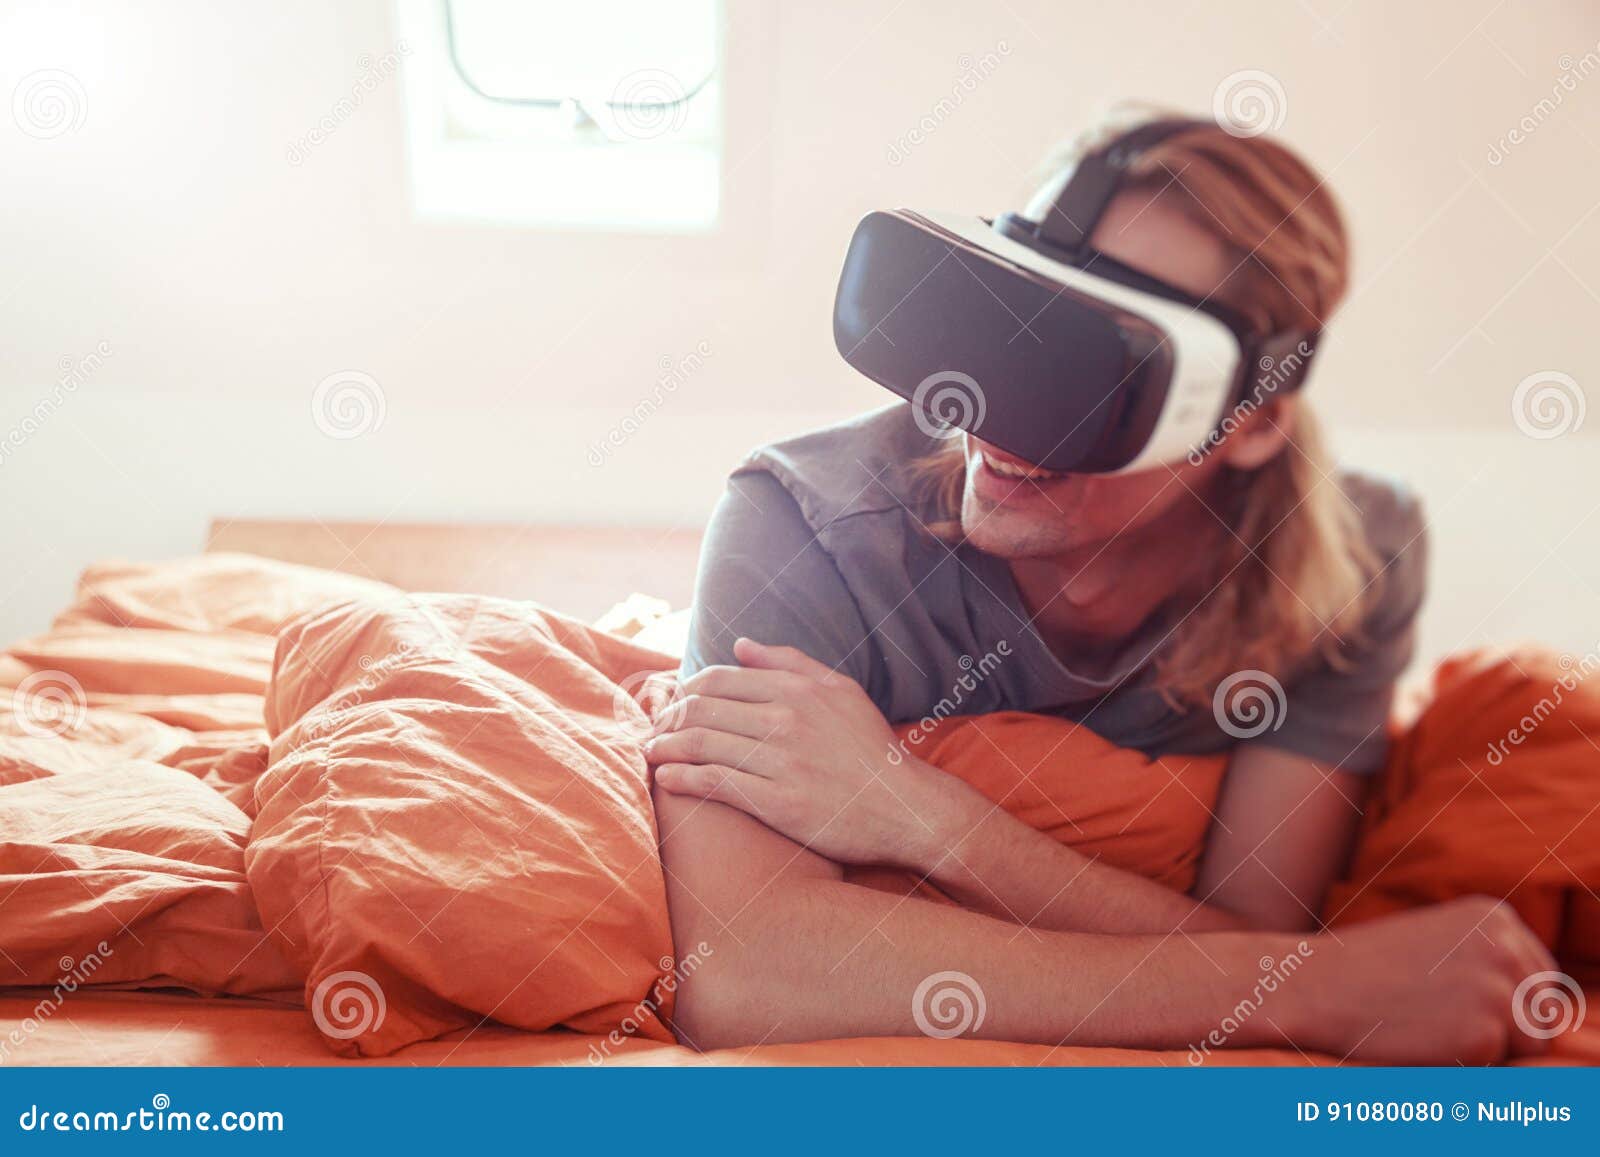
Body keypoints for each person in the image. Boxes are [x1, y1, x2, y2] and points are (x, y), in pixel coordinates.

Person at [645, 109, 1556, 1063]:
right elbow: (747, 976)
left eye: (1095, 372)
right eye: (1009, 334)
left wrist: (916, 812)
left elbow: (1252, 927)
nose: (1001, 424)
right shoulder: (804, 526)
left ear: (1250, 423)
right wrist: (1315, 988)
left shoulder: (1353, 562)